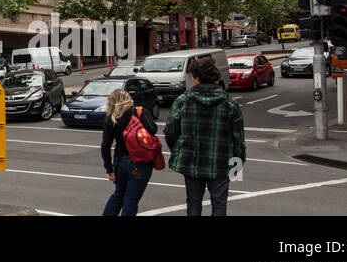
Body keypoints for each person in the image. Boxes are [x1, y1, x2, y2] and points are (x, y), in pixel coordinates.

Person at [165, 58, 245, 216]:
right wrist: (238, 163)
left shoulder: (183, 101)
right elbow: (238, 138)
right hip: (221, 161)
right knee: (219, 204)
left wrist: (178, 149)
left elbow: (170, 131)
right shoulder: (230, 104)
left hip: (191, 160)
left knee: (193, 203)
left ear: (196, 77)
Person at [100, 89, 158, 216]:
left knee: (118, 194)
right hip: (139, 162)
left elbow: (105, 145)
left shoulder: (111, 118)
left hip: (120, 162)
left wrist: (109, 169)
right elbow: (153, 129)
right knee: (131, 199)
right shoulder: (139, 112)